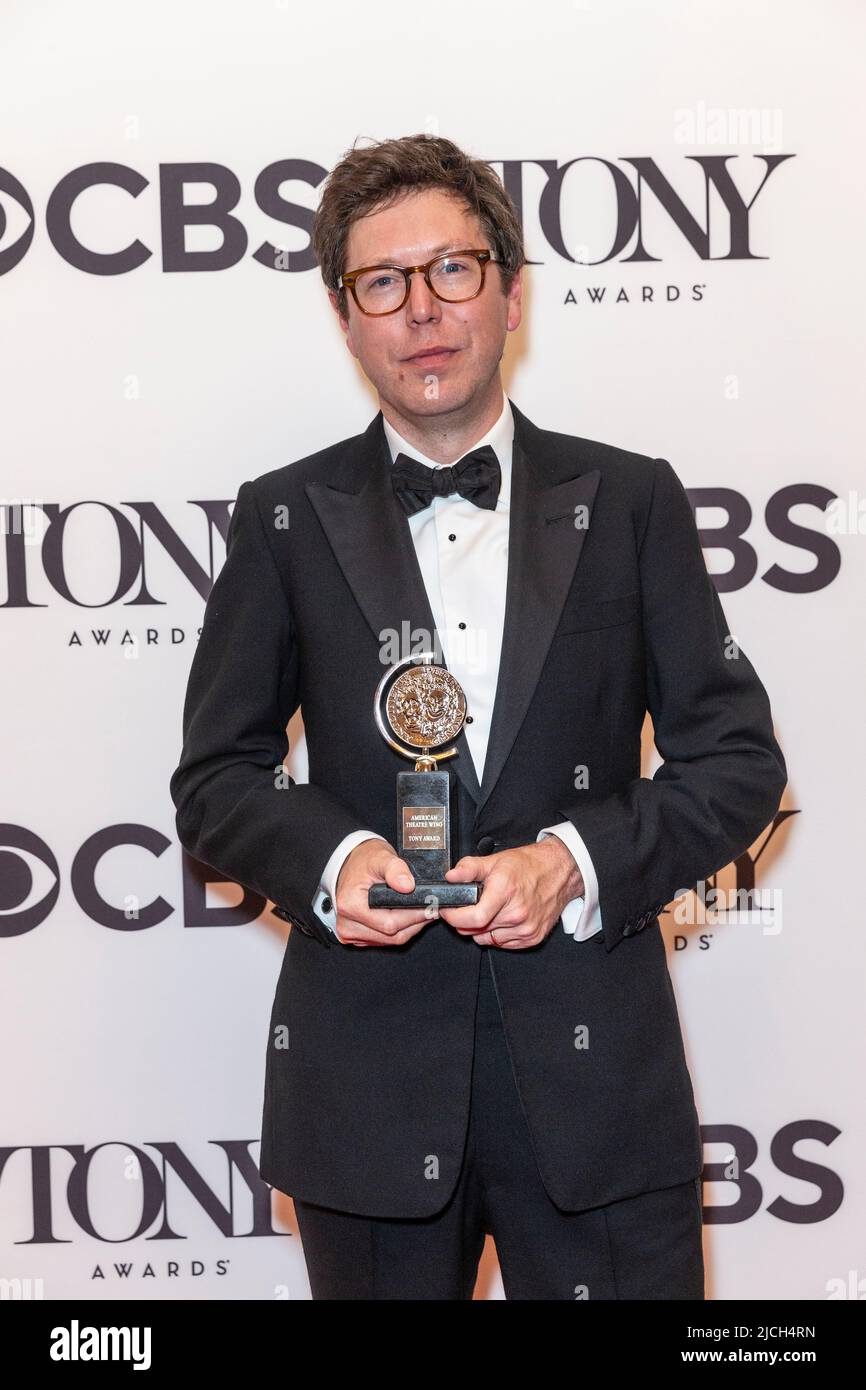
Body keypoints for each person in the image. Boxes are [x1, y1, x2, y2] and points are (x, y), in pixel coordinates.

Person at [169, 133, 787, 1300]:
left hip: (598, 1088)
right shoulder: (280, 517)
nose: (421, 310)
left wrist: (572, 858)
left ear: (510, 292)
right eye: (381, 283)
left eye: (451, 270)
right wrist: (337, 858)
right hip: (365, 1084)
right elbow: (215, 780)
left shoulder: (633, 498)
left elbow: (737, 762)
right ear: (345, 319)